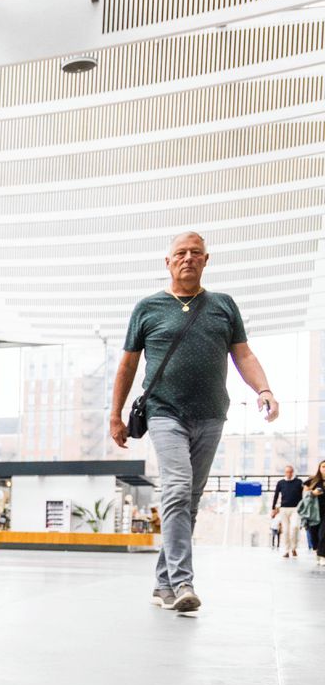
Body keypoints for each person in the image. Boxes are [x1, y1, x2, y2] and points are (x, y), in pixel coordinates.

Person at [110, 232, 278, 613]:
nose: (188, 258)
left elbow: (244, 355)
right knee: (176, 488)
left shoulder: (223, 306)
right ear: (167, 262)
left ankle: (162, 583)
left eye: (195, 253)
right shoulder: (148, 308)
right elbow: (128, 364)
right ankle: (183, 580)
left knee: (189, 499)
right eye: (180, 253)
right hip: (164, 412)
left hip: (211, 414)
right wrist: (114, 413)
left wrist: (264, 390)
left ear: (206, 260)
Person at [272, 464, 303, 558]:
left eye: (290, 471)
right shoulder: (281, 482)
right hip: (284, 509)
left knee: (295, 527)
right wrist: (273, 508)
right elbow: (276, 495)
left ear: (293, 472)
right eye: (287, 472)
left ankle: (294, 548)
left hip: (295, 509)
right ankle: (286, 550)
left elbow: (303, 495)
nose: (288, 473)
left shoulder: (299, 482)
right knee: (285, 531)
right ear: (285, 473)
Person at [303, 461, 325, 564]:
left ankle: (322, 555)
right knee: (313, 534)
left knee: (323, 534)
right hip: (313, 512)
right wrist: (313, 493)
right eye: (323, 466)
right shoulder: (312, 480)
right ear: (319, 468)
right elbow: (304, 496)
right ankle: (317, 551)